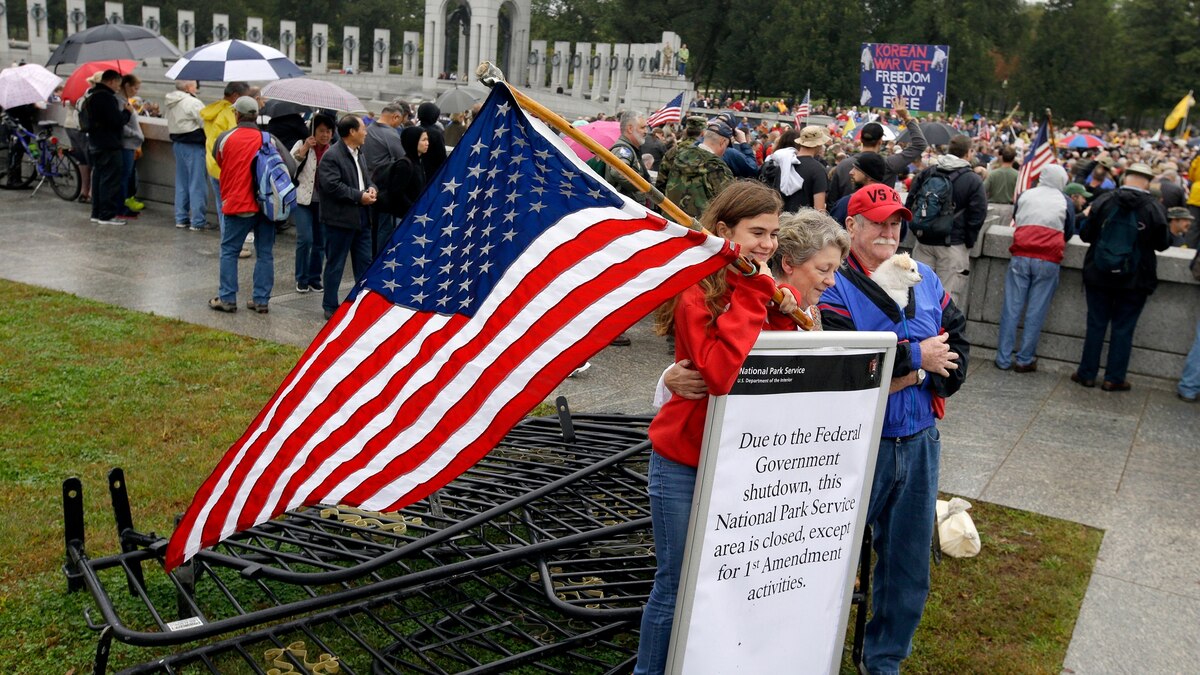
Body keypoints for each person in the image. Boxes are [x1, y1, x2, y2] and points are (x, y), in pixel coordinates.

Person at [634, 181, 798, 675]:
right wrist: (755, 292)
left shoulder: (758, 285)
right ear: (723, 230)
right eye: (757, 232)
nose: (768, 245)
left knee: (724, 578)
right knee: (678, 582)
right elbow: (722, 373)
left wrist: (782, 310)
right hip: (685, 461)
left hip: (739, 459)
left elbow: (774, 367)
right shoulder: (696, 289)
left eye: (773, 234)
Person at [818, 182, 968, 675]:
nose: (889, 231)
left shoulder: (924, 276)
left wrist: (919, 373)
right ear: (852, 226)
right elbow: (842, 364)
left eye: (896, 222)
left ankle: (883, 661)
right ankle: (808, 650)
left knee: (907, 567)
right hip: (856, 444)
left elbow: (958, 342)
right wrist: (915, 360)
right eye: (877, 221)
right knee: (823, 559)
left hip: (920, 440)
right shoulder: (831, 282)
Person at [1071, 162, 1170, 391]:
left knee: (1096, 324)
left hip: (1099, 273)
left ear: (1126, 177)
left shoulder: (1104, 200)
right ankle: (1114, 378)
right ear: (1147, 181)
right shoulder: (1154, 208)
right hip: (1135, 278)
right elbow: (1163, 244)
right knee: (1123, 328)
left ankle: (1087, 373)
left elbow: (1086, 235)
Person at [208, 96, 296, 314]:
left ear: (237, 115)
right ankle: (261, 301)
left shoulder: (225, 138)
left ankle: (227, 298)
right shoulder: (268, 139)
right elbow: (291, 167)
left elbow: (218, 160)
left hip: (237, 203)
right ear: (255, 116)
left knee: (229, 250)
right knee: (265, 253)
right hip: (267, 206)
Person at [995, 164, 1075, 372]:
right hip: (1048, 259)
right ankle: (1024, 359)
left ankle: (1003, 358)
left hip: (1020, 255)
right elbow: (1069, 230)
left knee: (1011, 309)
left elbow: (1016, 216)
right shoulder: (1065, 201)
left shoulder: (1025, 195)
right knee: (1035, 311)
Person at [907, 134, 988, 309]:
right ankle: (942, 335)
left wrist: (917, 229)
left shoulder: (928, 172)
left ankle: (918, 334)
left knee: (918, 295)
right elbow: (978, 214)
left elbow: (910, 201)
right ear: (968, 153)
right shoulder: (973, 179)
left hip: (923, 241)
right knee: (946, 299)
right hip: (952, 244)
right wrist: (968, 241)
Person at [318, 115, 378, 321]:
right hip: (340, 220)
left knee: (365, 263)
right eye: (363, 128)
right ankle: (330, 306)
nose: (366, 132)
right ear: (352, 132)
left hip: (362, 217)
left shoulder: (359, 153)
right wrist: (358, 196)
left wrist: (371, 189)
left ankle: (361, 303)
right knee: (336, 263)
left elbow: (366, 178)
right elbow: (331, 185)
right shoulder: (332, 155)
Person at [827, 97, 927, 203]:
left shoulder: (843, 165)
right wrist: (906, 117)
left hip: (848, 217)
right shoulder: (889, 164)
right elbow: (919, 144)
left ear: (861, 139)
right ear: (880, 141)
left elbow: (832, 201)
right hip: (880, 217)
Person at [290, 113, 336, 295]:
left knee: (320, 242)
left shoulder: (333, 150)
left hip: (324, 203)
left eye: (329, 131)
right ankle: (301, 278)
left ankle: (314, 278)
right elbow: (290, 167)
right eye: (321, 131)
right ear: (314, 131)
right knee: (305, 239)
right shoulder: (303, 144)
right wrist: (304, 149)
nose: (325, 135)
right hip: (303, 199)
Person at [658, 119, 734, 220]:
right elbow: (727, 205)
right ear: (723, 142)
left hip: (668, 222)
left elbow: (660, 185)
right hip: (698, 229)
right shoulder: (719, 168)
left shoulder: (675, 153)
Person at [202, 81, 250, 237]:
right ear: (236, 96)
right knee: (228, 208)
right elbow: (233, 140)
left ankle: (227, 239)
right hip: (225, 167)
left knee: (221, 204)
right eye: (245, 97)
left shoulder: (213, 110)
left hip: (213, 163)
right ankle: (229, 241)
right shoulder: (228, 113)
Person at [85, 69, 131, 226]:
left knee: (98, 178)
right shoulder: (106, 98)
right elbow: (116, 121)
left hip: (95, 142)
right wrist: (127, 112)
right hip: (108, 144)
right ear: (111, 81)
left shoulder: (92, 94)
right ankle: (107, 215)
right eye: (118, 84)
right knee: (110, 180)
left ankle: (96, 213)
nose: (119, 87)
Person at [364, 102, 409, 256]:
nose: (400, 125)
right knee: (384, 227)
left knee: (371, 227)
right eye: (400, 121)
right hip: (383, 187)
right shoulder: (390, 134)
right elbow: (404, 158)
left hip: (367, 183)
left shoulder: (368, 130)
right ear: (395, 117)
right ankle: (380, 259)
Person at [165, 79, 209, 230]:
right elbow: (206, 122)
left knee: (182, 182)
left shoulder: (171, 101)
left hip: (178, 144)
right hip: (194, 145)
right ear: (189, 87)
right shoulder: (192, 102)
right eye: (195, 85)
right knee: (197, 183)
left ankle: (181, 218)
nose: (197, 87)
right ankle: (198, 220)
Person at [373, 126, 428, 224]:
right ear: (413, 141)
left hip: (411, 214)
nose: (427, 143)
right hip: (401, 216)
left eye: (427, 140)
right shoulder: (404, 164)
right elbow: (396, 192)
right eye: (423, 140)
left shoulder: (419, 162)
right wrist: (412, 208)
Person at [605, 110, 651, 206]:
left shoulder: (632, 149)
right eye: (642, 127)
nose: (646, 131)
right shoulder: (623, 150)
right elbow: (618, 172)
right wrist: (641, 187)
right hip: (626, 208)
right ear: (630, 129)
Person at [780, 125, 830, 212]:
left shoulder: (784, 164)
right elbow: (819, 209)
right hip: (805, 223)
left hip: (782, 221)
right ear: (818, 144)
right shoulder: (818, 169)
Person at [829, 151, 886, 225]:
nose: (851, 172)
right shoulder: (895, 202)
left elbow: (831, 232)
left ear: (869, 176)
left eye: (856, 169)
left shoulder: (846, 203)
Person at [117, 74, 145, 219]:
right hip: (126, 144)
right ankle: (120, 207)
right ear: (126, 86)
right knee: (124, 176)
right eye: (135, 88)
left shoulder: (124, 101)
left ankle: (121, 205)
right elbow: (120, 126)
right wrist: (136, 135)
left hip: (130, 144)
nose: (136, 91)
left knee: (126, 176)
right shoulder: (119, 102)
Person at [983, 145, 1019, 230]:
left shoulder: (993, 174)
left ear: (1002, 157)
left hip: (992, 206)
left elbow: (983, 189)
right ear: (1013, 159)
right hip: (1009, 209)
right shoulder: (1017, 175)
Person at [416, 101, 447, 178]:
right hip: (431, 173)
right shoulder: (436, 133)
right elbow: (441, 157)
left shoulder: (414, 130)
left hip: (415, 171)